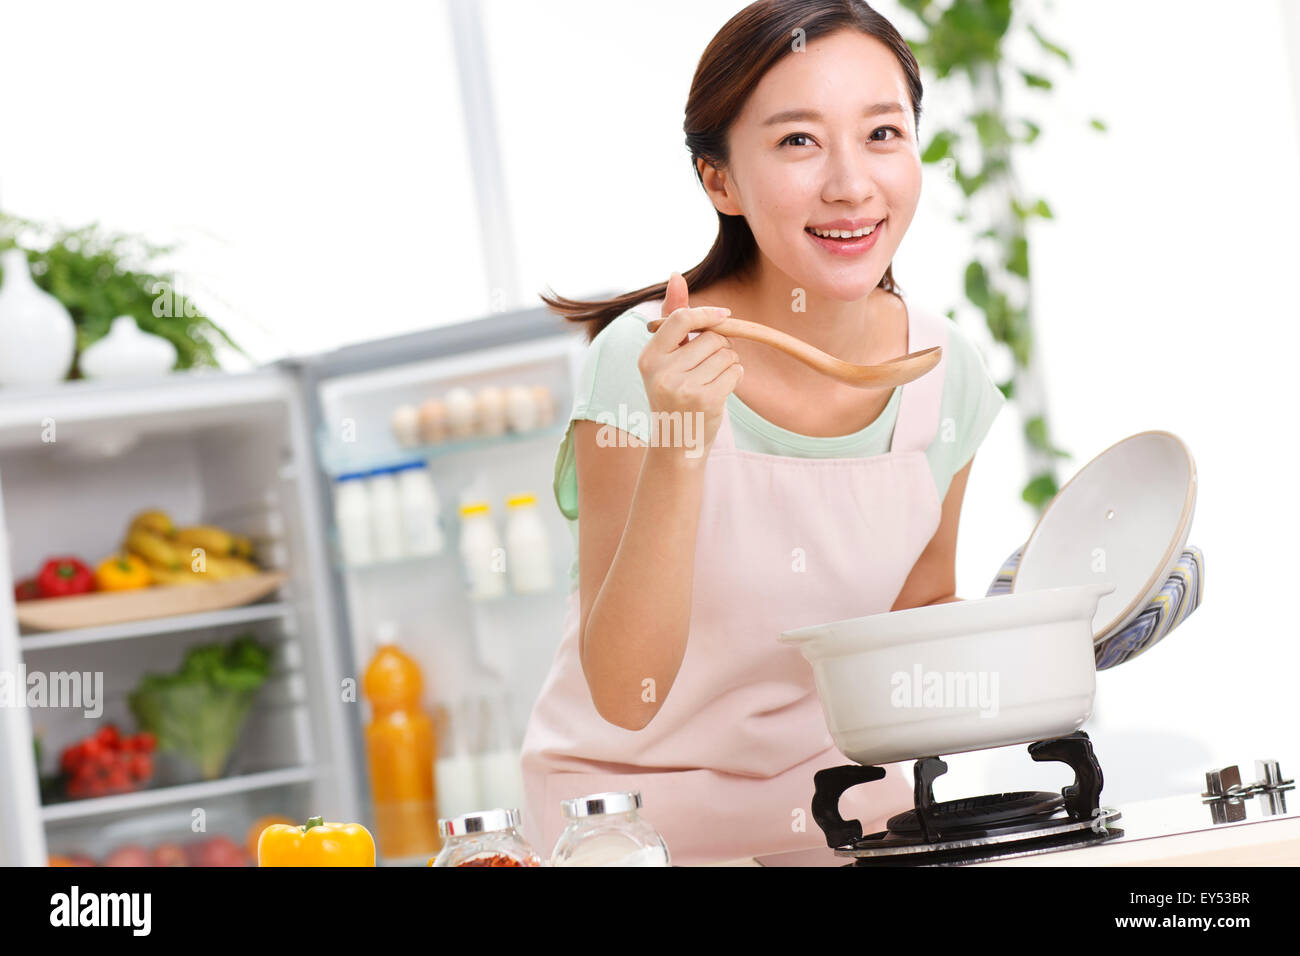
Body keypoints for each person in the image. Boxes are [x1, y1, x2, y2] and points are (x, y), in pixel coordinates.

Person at [520, 0, 1007, 865]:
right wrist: (680, 443)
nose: (851, 184)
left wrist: (1025, 633)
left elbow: (917, 617)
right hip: (628, 829)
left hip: (849, 815)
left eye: (883, 134)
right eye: (798, 141)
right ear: (721, 182)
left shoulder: (944, 368)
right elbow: (626, 694)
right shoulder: (649, 361)